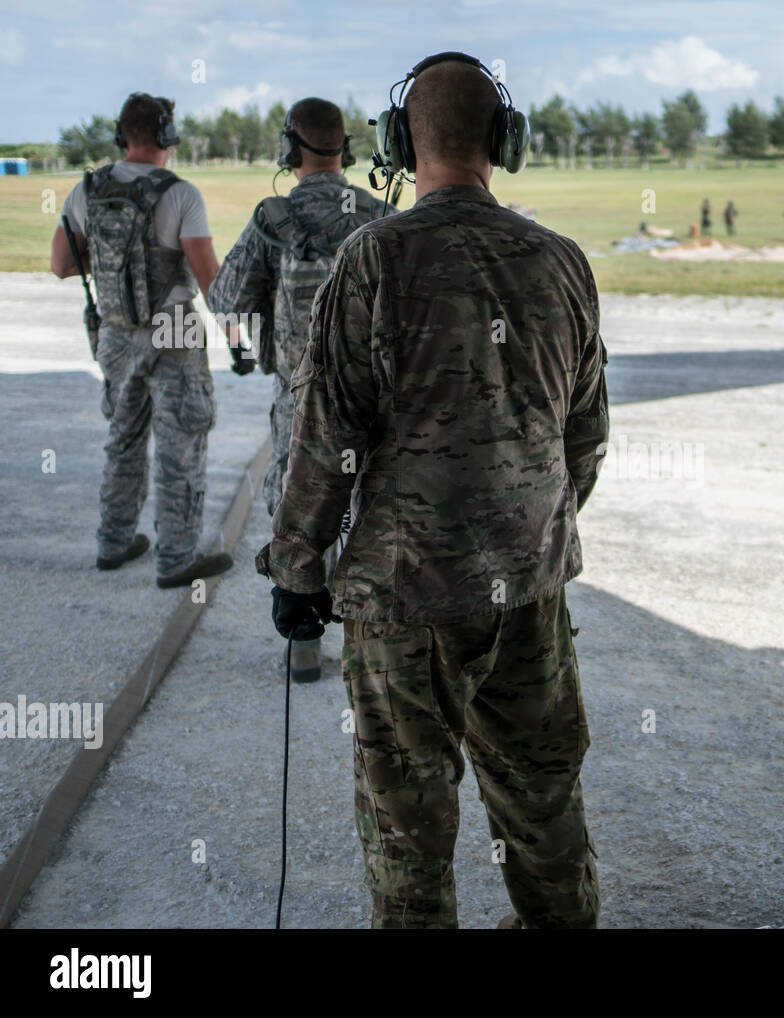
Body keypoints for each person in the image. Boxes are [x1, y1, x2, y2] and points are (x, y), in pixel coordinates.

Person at [256, 52, 608, 930]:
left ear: (401, 148)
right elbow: (586, 435)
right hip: (528, 589)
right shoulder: (561, 261)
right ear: (503, 142)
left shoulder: (371, 259)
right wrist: (527, 523)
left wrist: (297, 566)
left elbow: (327, 433)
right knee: (543, 799)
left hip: (404, 598)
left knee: (407, 829)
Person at [208, 97, 390, 683]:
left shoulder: (272, 218)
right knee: (369, 507)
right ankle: (372, 642)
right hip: (373, 403)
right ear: (346, 149)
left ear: (290, 148)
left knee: (296, 510)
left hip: (298, 404)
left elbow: (224, 298)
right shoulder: (379, 215)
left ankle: (304, 640)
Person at [50, 92, 233, 588]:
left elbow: (62, 265)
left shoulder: (85, 190)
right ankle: (176, 560)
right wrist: (237, 333)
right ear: (166, 136)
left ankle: (113, 542)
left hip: (115, 336)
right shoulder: (180, 194)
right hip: (172, 333)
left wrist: (117, 267)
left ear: (121, 135)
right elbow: (210, 279)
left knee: (123, 439)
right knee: (181, 444)